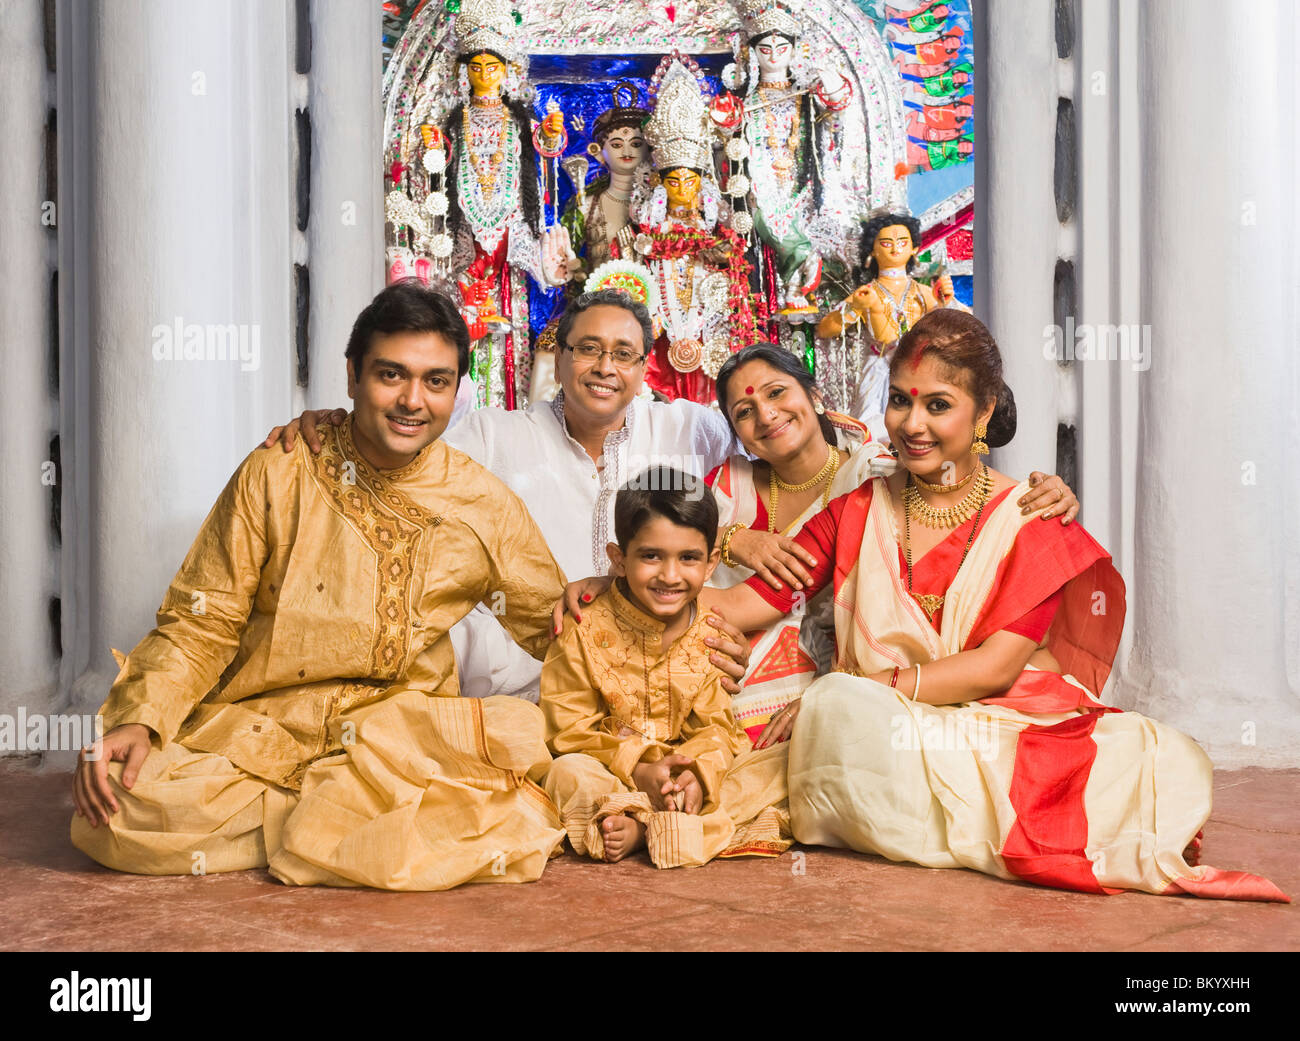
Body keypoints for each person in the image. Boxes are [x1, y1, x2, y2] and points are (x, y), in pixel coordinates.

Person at [676, 309, 1286, 901]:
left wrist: (867, 685)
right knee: (838, 708)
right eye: (900, 401)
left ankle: (929, 821)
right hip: (891, 723)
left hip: (995, 719)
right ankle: (959, 825)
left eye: (938, 405)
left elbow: (996, 668)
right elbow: (736, 604)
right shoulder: (855, 509)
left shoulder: (1033, 518)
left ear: (984, 412)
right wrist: (615, 586)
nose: (912, 423)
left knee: (1162, 760)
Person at [71, 281, 570, 890]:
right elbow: (202, 621)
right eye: (392, 375)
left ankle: (330, 817)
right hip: (264, 729)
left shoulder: (484, 505)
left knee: (522, 738)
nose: (413, 400)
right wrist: (139, 721)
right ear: (353, 375)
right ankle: (343, 822)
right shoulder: (277, 468)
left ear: (456, 390)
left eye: (436, 382)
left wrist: (658, 629)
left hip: (400, 737)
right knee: (122, 809)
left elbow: (563, 629)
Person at [264, 289, 756, 704]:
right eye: (588, 348)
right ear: (559, 356)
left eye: (624, 354)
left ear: (644, 367)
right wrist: (335, 430)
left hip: (645, 669)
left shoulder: (689, 428)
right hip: (510, 686)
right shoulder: (492, 435)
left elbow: (778, 442)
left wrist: (737, 540)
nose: (606, 367)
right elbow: (399, 462)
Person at [541, 468, 790, 867]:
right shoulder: (583, 624)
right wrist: (638, 769)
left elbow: (715, 729)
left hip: (681, 775)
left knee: (776, 766)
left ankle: (647, 825)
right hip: (610, 770)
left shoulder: (711, 630)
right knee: (567, 773)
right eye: (651, 556)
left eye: (688, 558)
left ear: (710, 565)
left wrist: (697, 775)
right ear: (619, 560)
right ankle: (661, 823)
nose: (670, 576)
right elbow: (566, 730)